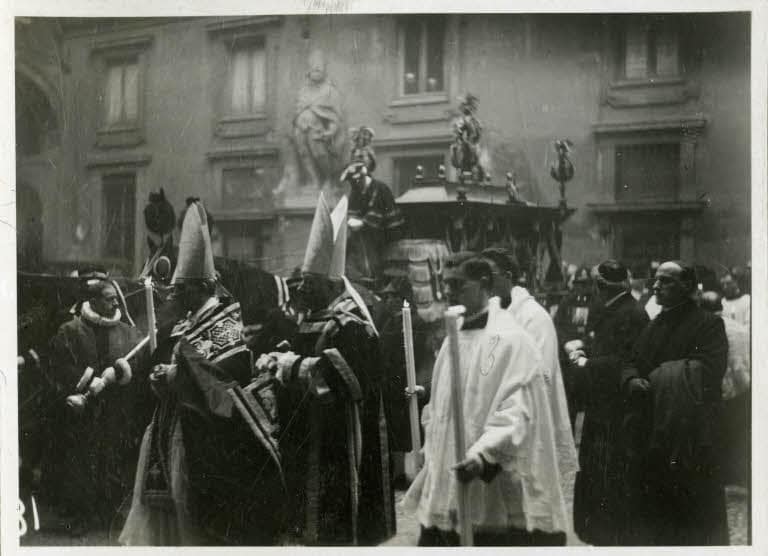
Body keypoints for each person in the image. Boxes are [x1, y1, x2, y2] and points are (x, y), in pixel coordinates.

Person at [120, 200, 284, 545]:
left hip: (203, 440)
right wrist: (163, 376)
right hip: (173, 426)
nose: (176, 295)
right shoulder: (187, 321)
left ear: (200, 288)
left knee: (189, 514)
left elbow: (224, 382)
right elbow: (183, 366)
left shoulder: (227, 324)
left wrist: (174, 375)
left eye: (182, 289)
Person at [256, 190, 395, 545]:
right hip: (305, 430)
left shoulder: (351, 324)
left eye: (309, 282)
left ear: (331, 284)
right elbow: (305, 354)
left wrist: (291, 366)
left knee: (331, 521)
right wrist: (281, 356)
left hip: (337, 436)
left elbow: (341, 379)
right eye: (301, 280)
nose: (301, 287)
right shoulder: (314, 316)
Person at [403, 254, 570, 546]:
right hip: (450, 479)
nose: (449, 293)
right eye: (446, 285)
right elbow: (442, 409)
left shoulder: (511, 340)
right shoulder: (452, 338)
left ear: (483, 284)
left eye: (457, 284)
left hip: (490, 480)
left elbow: (518, 410)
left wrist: (483, 455)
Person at [621, 260, 729, 545]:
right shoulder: (654, 323)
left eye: (666, 281)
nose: (656, 285)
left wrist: (655, 379)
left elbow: (708, 372)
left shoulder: (709, 324)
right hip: (652, 433)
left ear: (688, 286)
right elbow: (632, 360)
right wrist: (631, 379)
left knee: (691, 522)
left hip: (690, 439)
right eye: (656, 280)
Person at [45, 275, 146, 535]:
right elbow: (59, 365)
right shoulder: (70, 330)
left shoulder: (127, 332)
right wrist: (84, 384)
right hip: (82, 409)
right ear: (93, 300)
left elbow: (137, 362)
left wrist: (118, 375)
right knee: (80, 461)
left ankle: (107, 514)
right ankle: (81, 516)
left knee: (111, 458)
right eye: (108, 298)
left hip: (114, 409)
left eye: (116, 298)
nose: (115, 303)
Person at [564, 260, 649, 545]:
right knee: (601, 473)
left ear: (601, 286)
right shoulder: (616, 308)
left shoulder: (631, 314)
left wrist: (588, 362)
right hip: (604, 406)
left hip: (618, 409)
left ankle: (610, 536)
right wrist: (584, 349)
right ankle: (601, 533)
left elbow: (629, 360)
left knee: (611, 475)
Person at [481, 247, 578, 492]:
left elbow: (539, 380)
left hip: (526, 423)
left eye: (489, 273)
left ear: (508, 275)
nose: (484, 280)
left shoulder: (534, 318)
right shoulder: (488, 314)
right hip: (492, 421)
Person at [700, 291, 750, 487]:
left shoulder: (707, 330)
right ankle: (736, 474)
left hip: (719, 391)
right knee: (737, 434)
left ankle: (723, 475)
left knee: (720, 435)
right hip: (742, 389)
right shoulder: (741, 329)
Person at [342, 127, 404, 284]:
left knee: (371, 255)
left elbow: (382, 217)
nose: (355, 185)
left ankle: (371, 278)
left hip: (384, 237)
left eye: (357, 180)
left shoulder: (380, 188)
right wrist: (351, 220)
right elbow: (352, 211)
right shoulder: (355, 191)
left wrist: (363, 223)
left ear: (364, 174)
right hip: (362, 237)